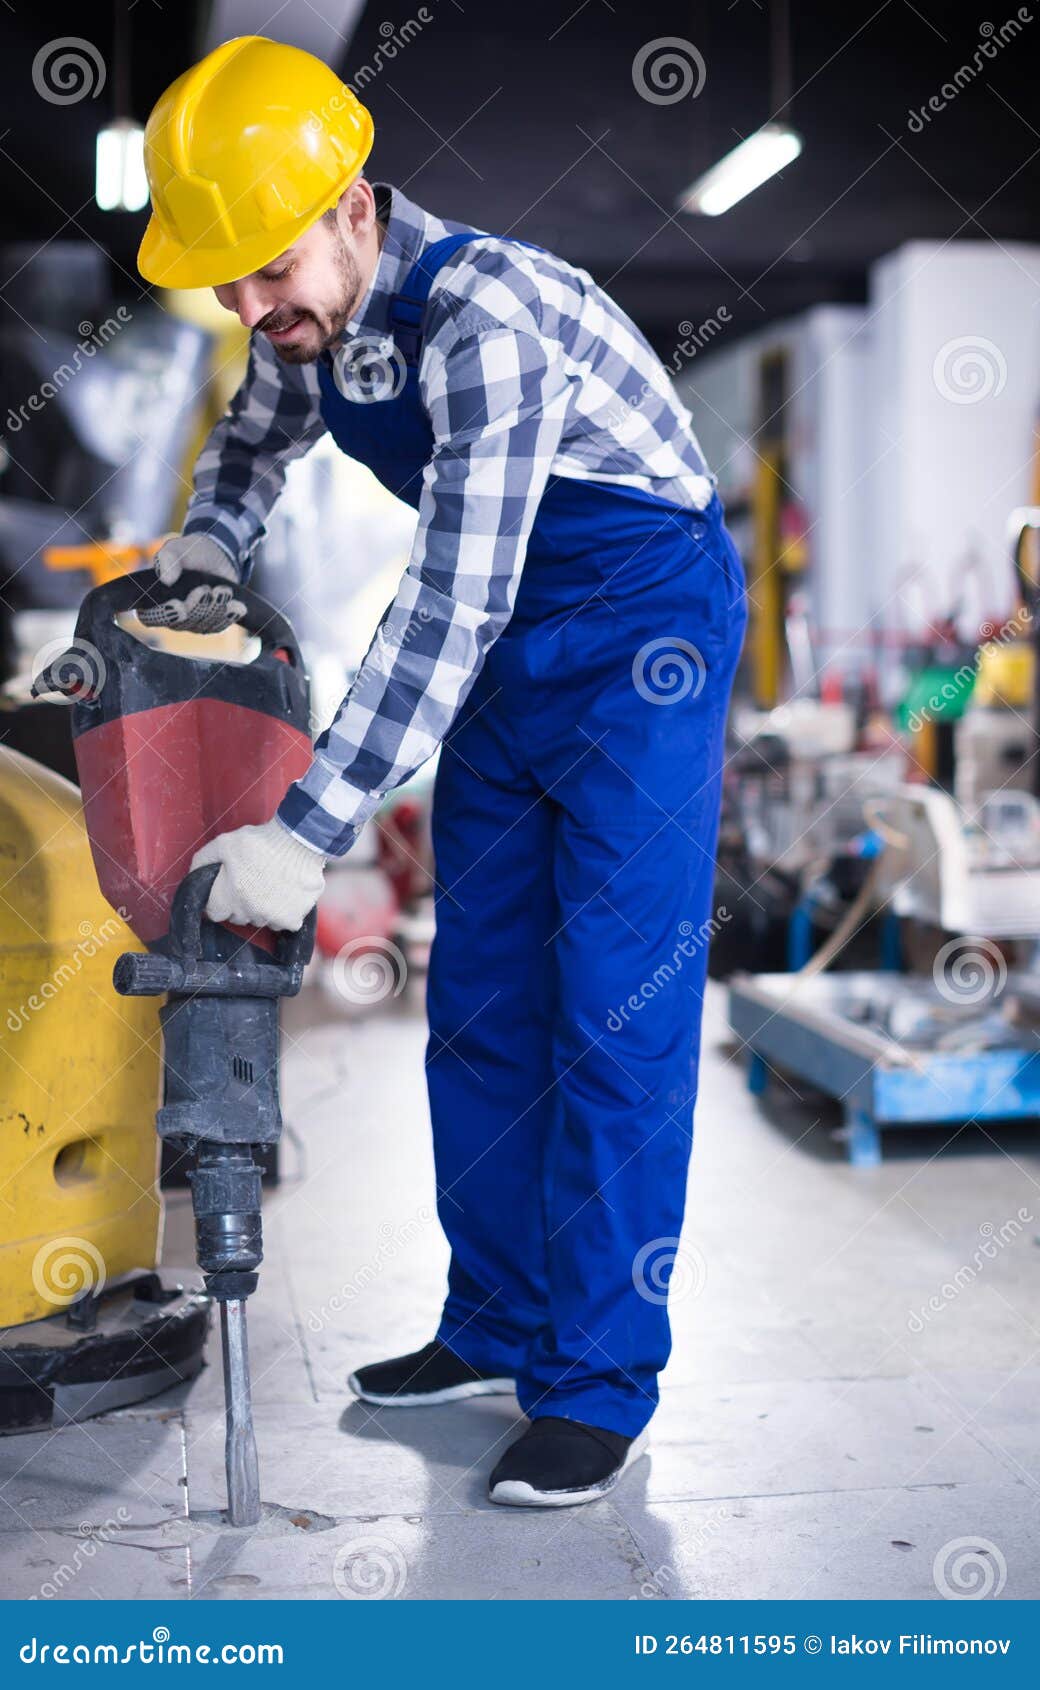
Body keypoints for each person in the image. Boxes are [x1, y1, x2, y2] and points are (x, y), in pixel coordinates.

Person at [136, 35, 747, 1508]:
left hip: (638, 630)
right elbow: (255, 433)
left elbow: (450, 600)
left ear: (354, 205)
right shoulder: (309, 324)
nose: (248, 308)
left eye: (264, 268)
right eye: (224, 284)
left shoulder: (495, 319)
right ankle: (492, 1322)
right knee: (477, 990)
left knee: (614, 1002)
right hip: (518, 636)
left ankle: (594, 1382)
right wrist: (212, 537)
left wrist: (307, 830)